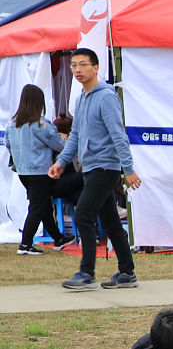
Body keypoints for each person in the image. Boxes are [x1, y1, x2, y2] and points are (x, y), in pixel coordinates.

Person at [50, 48, 140, 291]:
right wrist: (61, 162)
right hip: (90, 168)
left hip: (106, 168)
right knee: (110, 221)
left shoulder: (107, 97)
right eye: (73, 66)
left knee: (83, 215)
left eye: (82, 64)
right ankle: (127, 272)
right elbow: (76, 136)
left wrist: (128, 169)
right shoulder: (81, 98)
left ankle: (86, 273)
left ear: (96, 67)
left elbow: (118, 135)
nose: (77, 70)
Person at [6, 84, 72, 255]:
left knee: (42, 205)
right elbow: (59, 145)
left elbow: (8, 145)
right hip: (40, 172)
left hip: (23, 172)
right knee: (37, 207)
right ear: (39, 103)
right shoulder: (40, 125)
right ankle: (26, 244)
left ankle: (58, 238)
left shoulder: (12, 124)